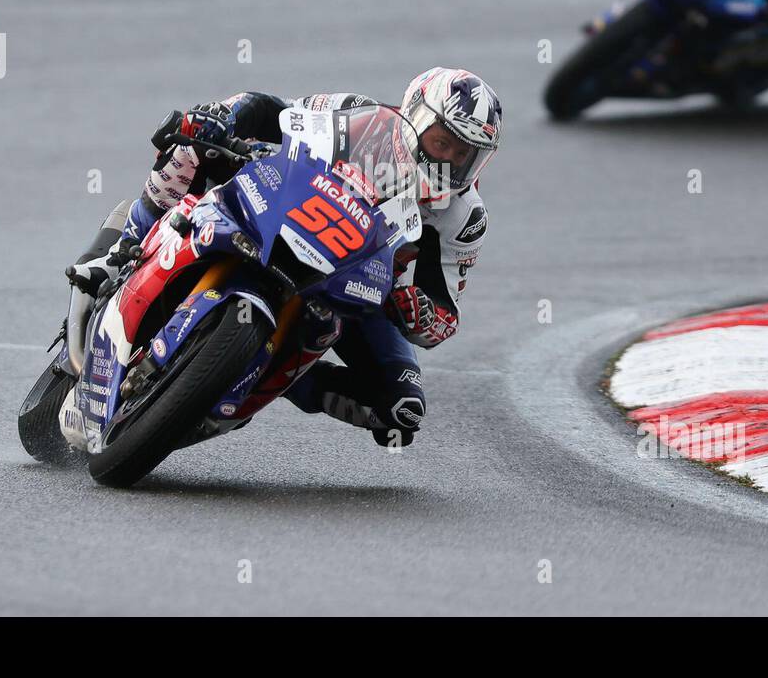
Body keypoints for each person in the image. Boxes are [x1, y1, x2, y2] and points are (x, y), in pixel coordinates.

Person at [67, 68, 502, 447]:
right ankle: (122, 247)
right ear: (416, 117)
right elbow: (271, 111)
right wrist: (223, 117)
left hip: (355, 289)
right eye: (442, 141)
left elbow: (445, 312)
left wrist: (419, 312)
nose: (448, 158)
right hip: (279, 215)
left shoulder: (464, 219)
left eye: (463, 154)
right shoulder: (357, 114)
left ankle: (264, 379)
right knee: (195, 141)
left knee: (401, 408)